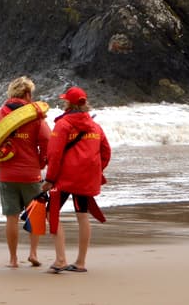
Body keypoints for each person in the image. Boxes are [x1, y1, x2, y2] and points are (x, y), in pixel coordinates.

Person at [0, 75, 51, 268]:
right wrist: (41, 162)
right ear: (28, 94)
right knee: (35, 215)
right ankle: (33, 253)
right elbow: (47, 141)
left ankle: (13, 259)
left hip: (6, 175)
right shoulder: (36, 117)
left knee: (11, 217)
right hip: (31, 174)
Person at [41, 86, 110, 274]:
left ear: (68, 103)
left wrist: (50, 179)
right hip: (85, 178)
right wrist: (96, 171)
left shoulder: (63, 125)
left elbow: (54, 155)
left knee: (51, 212)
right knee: (82, 215)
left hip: (64, 178)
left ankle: (61, 259)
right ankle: (80, 262)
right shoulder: (96, 127)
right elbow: (106, 152)